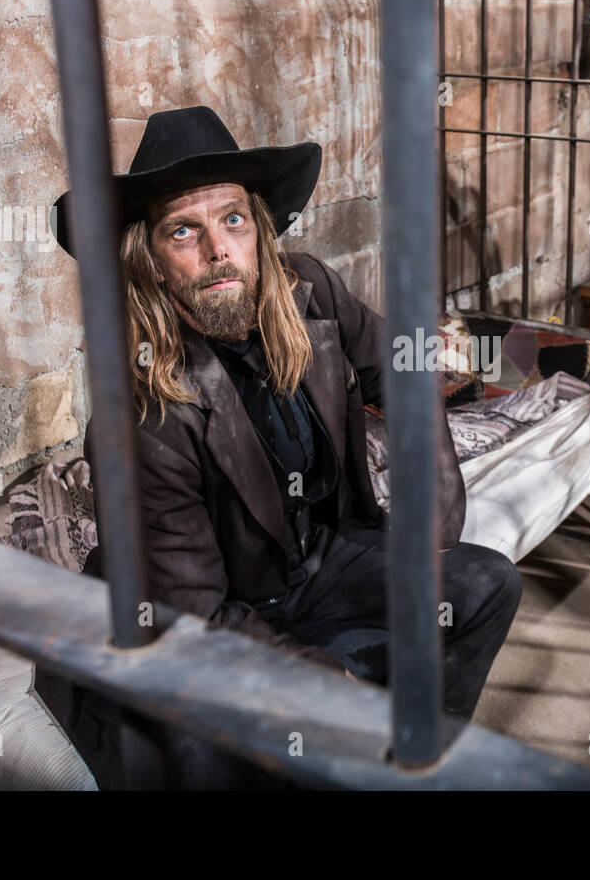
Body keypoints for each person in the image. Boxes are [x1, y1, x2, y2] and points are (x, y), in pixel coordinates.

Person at [39, 105, 521, 787]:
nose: (218, 252)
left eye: (233, 220)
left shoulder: (309, 291)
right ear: (149, 259)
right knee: (212, 757)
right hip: (210, 610)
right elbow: (195, 617)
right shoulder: (141, 413)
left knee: (484, 584)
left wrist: (432, 516)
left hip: (317, 561)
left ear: (260, 230)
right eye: (184, 230)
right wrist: (328, 686)